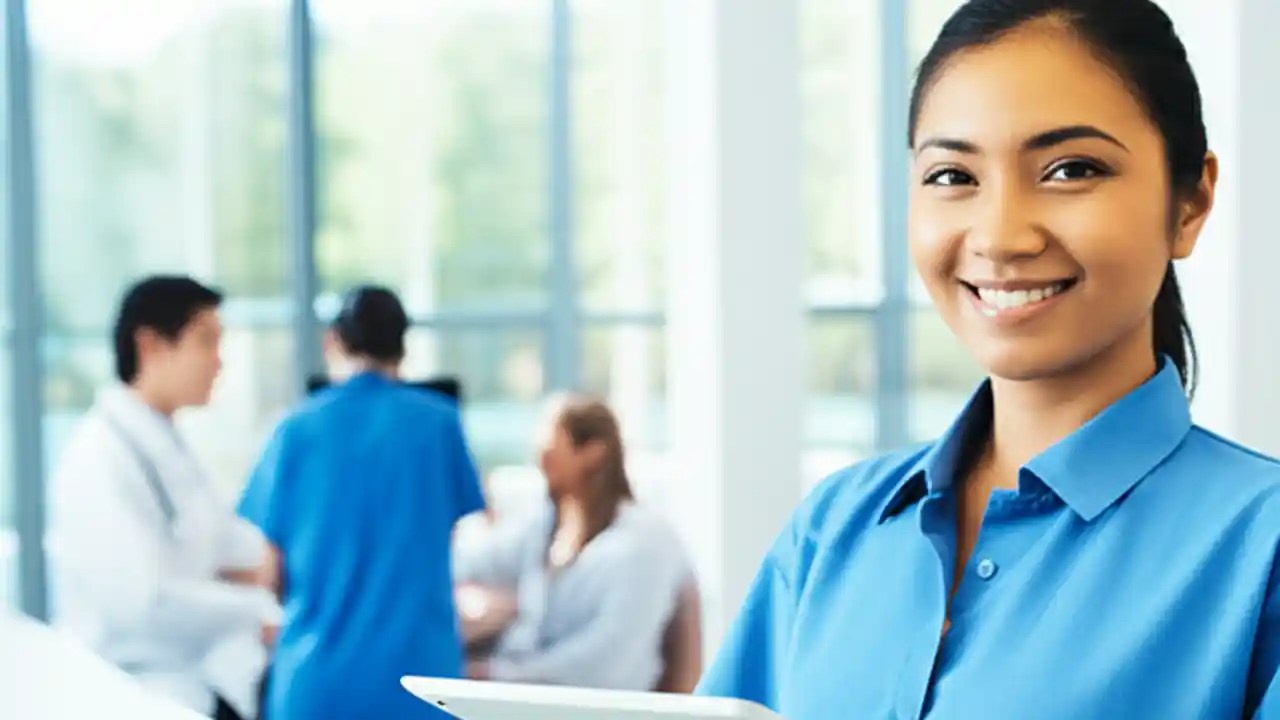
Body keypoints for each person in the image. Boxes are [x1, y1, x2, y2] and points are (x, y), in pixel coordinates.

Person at [699, 1, 1280, 717]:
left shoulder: (1262, 547)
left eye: (1071, 169)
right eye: (952, 177)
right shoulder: (833, 530)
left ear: (1189, 202)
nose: (1001, 237)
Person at [237, 285, 485, 719]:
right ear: (403, 346)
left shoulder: (295, 429)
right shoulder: (440, 425)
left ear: (332, 341)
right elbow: (465, 531)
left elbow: (269, 569)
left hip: (318, 685)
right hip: (421, 684)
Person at [47, 276, 277, 720]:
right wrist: (256, 612)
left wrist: (262, 564)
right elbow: (144, 603)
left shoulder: (164, 443)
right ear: (150, 345)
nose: (219, 363)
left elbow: (222, 540)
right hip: (134, 692)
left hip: (190, 683)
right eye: (206, 342)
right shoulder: (99, 457)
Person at [456, 396, 692, 691]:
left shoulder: (644, 543)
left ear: (592, 452)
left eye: (551, 454)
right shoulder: (544, 527)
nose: (539, 463)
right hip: (528, 698)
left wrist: (502, 674)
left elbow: (607, 659)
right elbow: (472, 564)